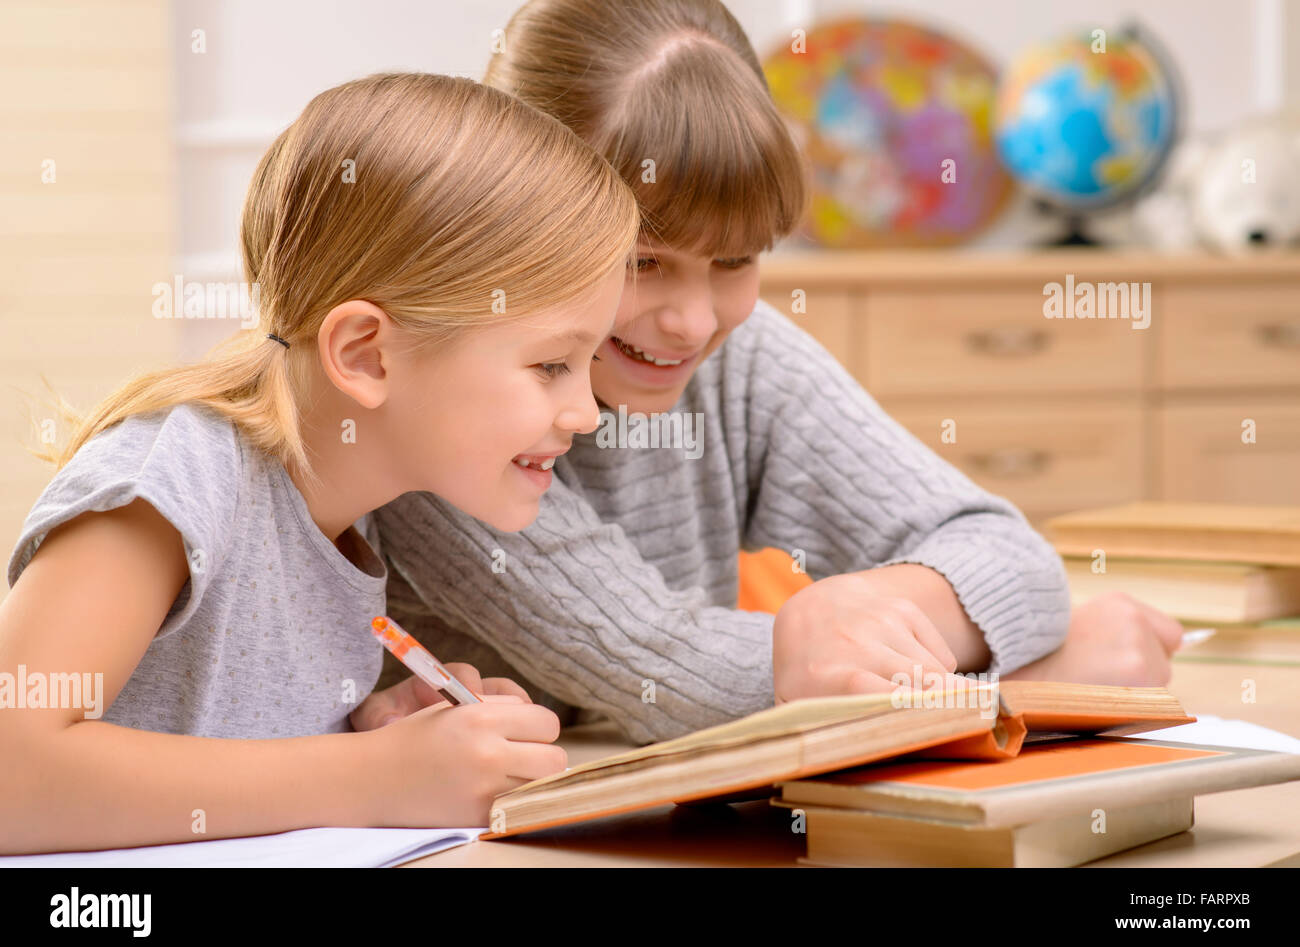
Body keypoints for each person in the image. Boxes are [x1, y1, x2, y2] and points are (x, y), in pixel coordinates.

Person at [358, 0, 1183, 747]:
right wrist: (1032, 684)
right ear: (516, 209)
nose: (694, 319)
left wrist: (863, 613)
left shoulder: (736, 362)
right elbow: (668, 674)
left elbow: (1009, 552)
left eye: (735, 259)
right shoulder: (447, 401)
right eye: (643, 261)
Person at [0, 72, 640, 852]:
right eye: (550, 366)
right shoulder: (176, 478)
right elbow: (14, 770)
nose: (585, 411)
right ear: (366, 354)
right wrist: (370, 774)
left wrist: (369, 730)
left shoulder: (346, 512)